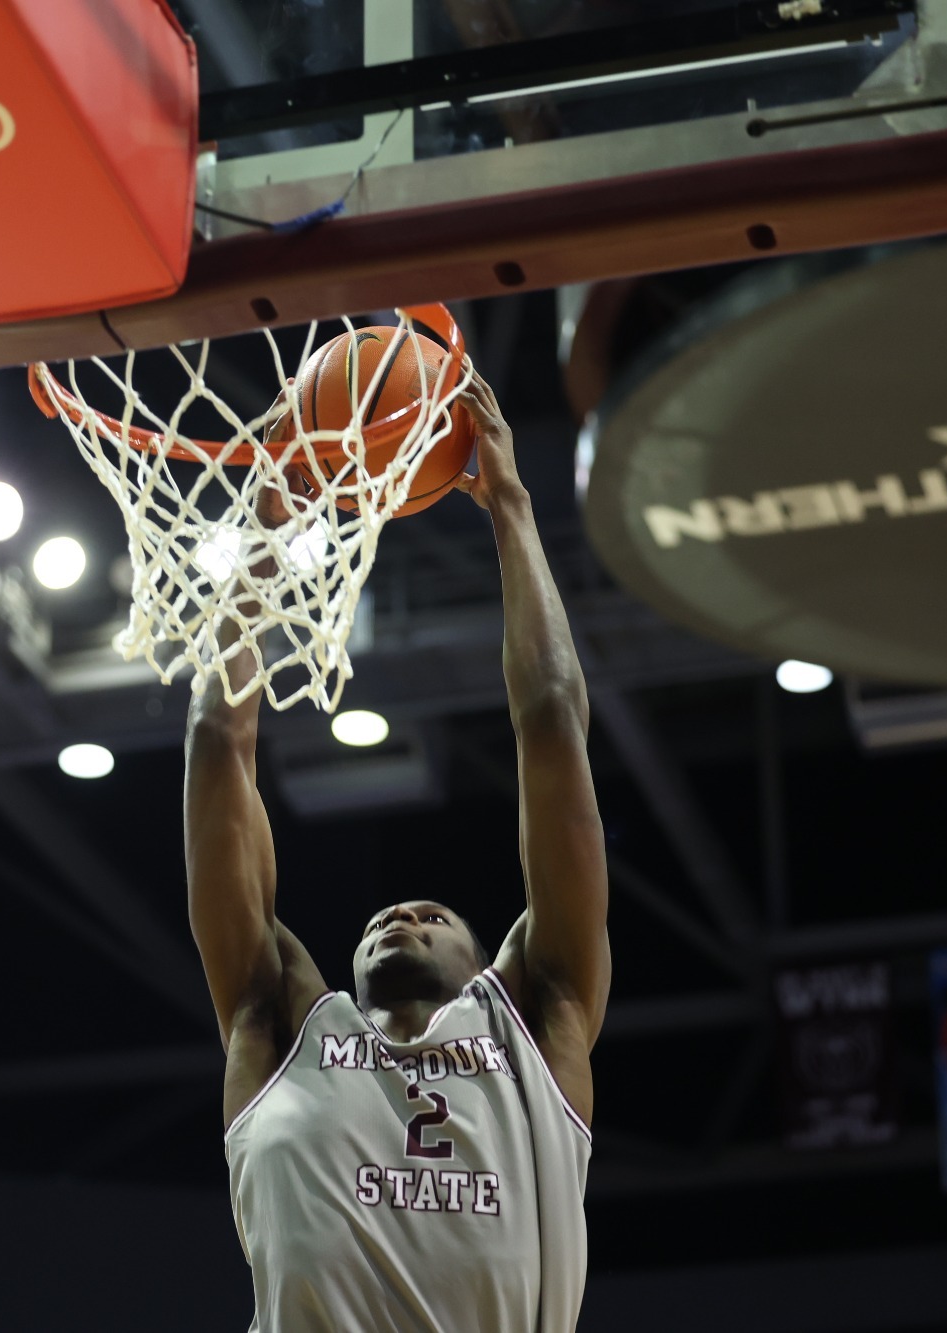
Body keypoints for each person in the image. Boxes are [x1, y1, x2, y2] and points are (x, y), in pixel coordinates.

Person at [184, 369, 611, 1333]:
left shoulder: (539, 1019)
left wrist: (511, 504)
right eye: (389, 915)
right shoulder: (278, 1022)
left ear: (484, 959)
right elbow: (220, 739)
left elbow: (552, 721)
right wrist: (262, 532)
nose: (399, 916)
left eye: (432, 915)